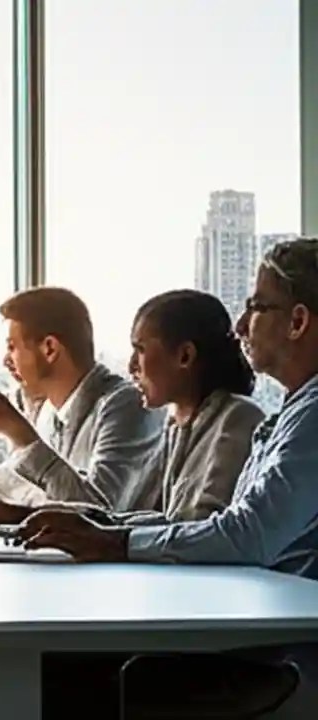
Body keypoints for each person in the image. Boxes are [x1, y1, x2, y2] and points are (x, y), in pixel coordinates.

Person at [19, 238, 318, 720]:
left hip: (287, 654)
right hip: (262, 622)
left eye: (257, 307)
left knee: (74, 678)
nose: (241, 326)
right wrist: (110, 535)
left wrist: (117, 543)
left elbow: (248, 534)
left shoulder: (308, 417)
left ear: (298, 322)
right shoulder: (293, 412)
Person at [0, 289, 264, 527]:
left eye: (140, 350)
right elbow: (136, 519)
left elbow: (192, 528)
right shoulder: (178, 425)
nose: (132, 364)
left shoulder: (233, 419)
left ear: (184, 357)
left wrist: (19, 435)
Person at [0, 287, 165, 513]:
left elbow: (100, 513)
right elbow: (14, 483)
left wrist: (20, 434)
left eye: (12, 347)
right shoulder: (48, 411)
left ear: (49, 348)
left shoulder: (125, 406)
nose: (6, 361)